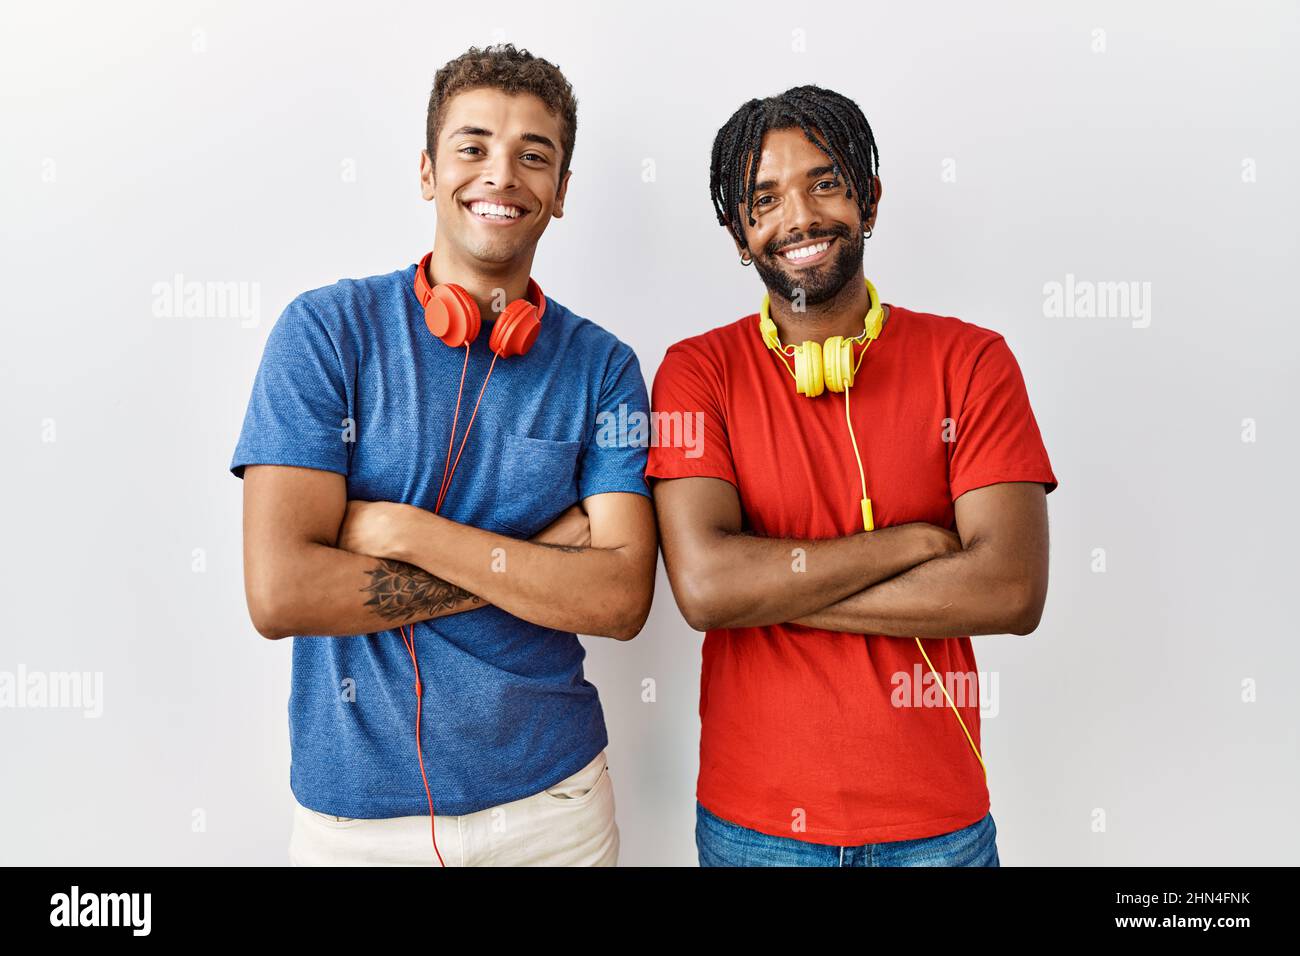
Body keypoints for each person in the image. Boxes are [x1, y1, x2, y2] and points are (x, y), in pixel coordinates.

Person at [230, 44, 656, 867]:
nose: (502, 174)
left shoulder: (605, 369)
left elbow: (619, 600)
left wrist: (403, 531)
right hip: (357, 823)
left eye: (535, 155)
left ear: (561, 192)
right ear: (428, 171)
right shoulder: (323, 334)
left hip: (556, 806)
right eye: (473, 147)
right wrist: (531, 565)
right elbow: (281, 593)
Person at [646, 85, 1058, 867]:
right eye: (763, 199)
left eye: (824, 183)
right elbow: (705, 589)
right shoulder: (695, 372)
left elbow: (1009, 591)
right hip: (753, 831)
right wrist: (911, 543)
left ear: (868, 199)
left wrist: (766, 589)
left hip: (936, 829)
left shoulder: (973, 362)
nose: (798, 217)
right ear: (740, 234)